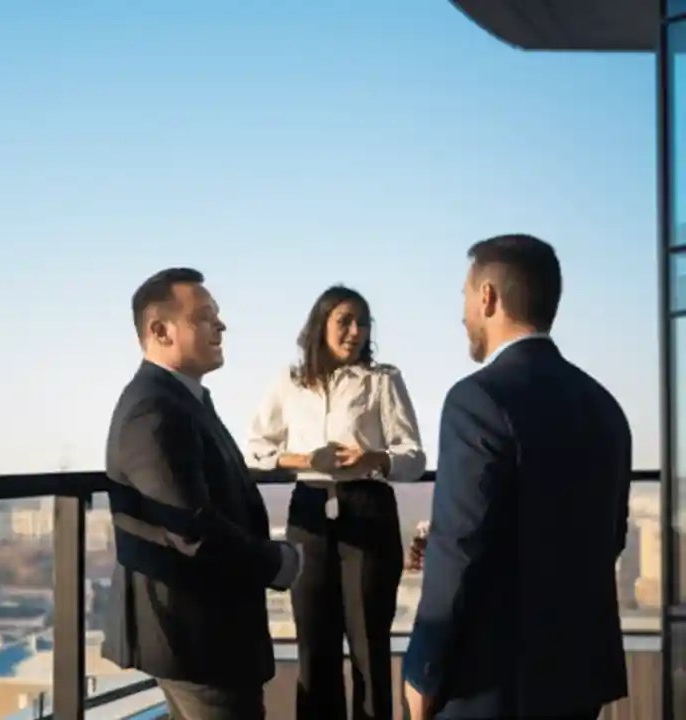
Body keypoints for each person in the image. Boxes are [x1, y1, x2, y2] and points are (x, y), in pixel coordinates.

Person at [402, 234, 632, 720]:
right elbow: (608, 536)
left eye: (465, 297)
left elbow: (460, 550)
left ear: (488, 297)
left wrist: (423, 669)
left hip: (490, 682)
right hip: (576, 676)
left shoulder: (477, 400)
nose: (462, 313)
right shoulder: (604, 406)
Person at [104, 267, 301, 720]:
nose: (221, 325)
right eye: (205, 316)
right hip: (195, 637)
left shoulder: (180, 401)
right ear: (160, 331)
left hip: (204, 632)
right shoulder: (153, 410)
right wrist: (279, 562)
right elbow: (192, 529)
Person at [248, 285, 426, 720]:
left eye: (363, 322)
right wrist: (304, 459)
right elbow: (254, 452)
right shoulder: (289, 383)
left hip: (368, 509)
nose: (355, 331)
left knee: (369, 644)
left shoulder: (382, 379)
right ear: (320, 325)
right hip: (308, 509)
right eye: (344, 321)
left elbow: (414, 457)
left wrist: (374, 458)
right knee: (314, 643)